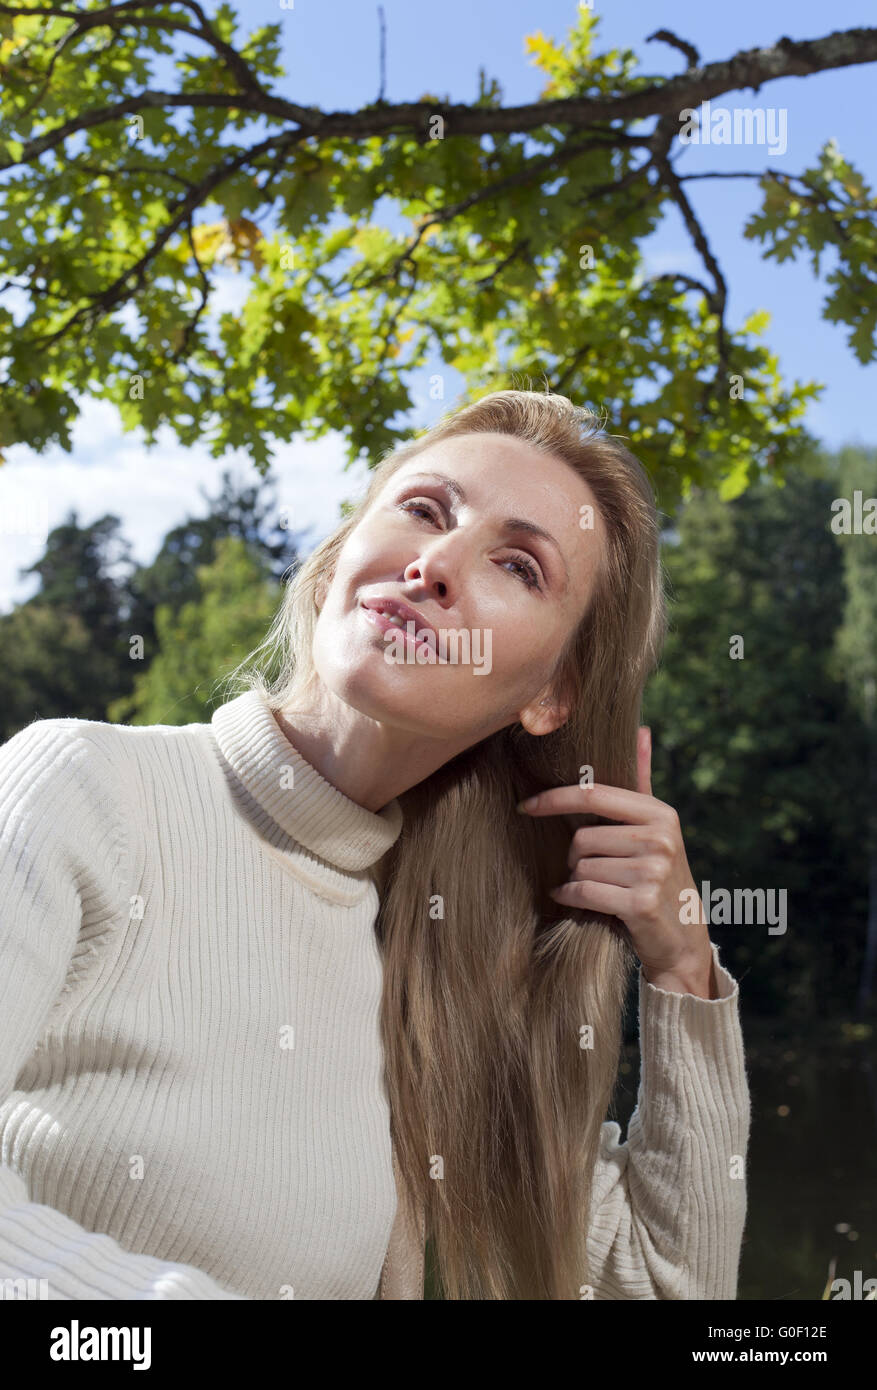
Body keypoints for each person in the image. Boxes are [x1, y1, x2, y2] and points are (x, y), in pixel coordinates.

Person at [0, 389, 749, 1300]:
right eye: (423, 510)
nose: (434, 564)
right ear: (333, 568)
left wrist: (683, 966)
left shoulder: (451, 970)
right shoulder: (82, 787)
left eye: (516, 565)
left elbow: (670, 1290)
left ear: (549, 697)